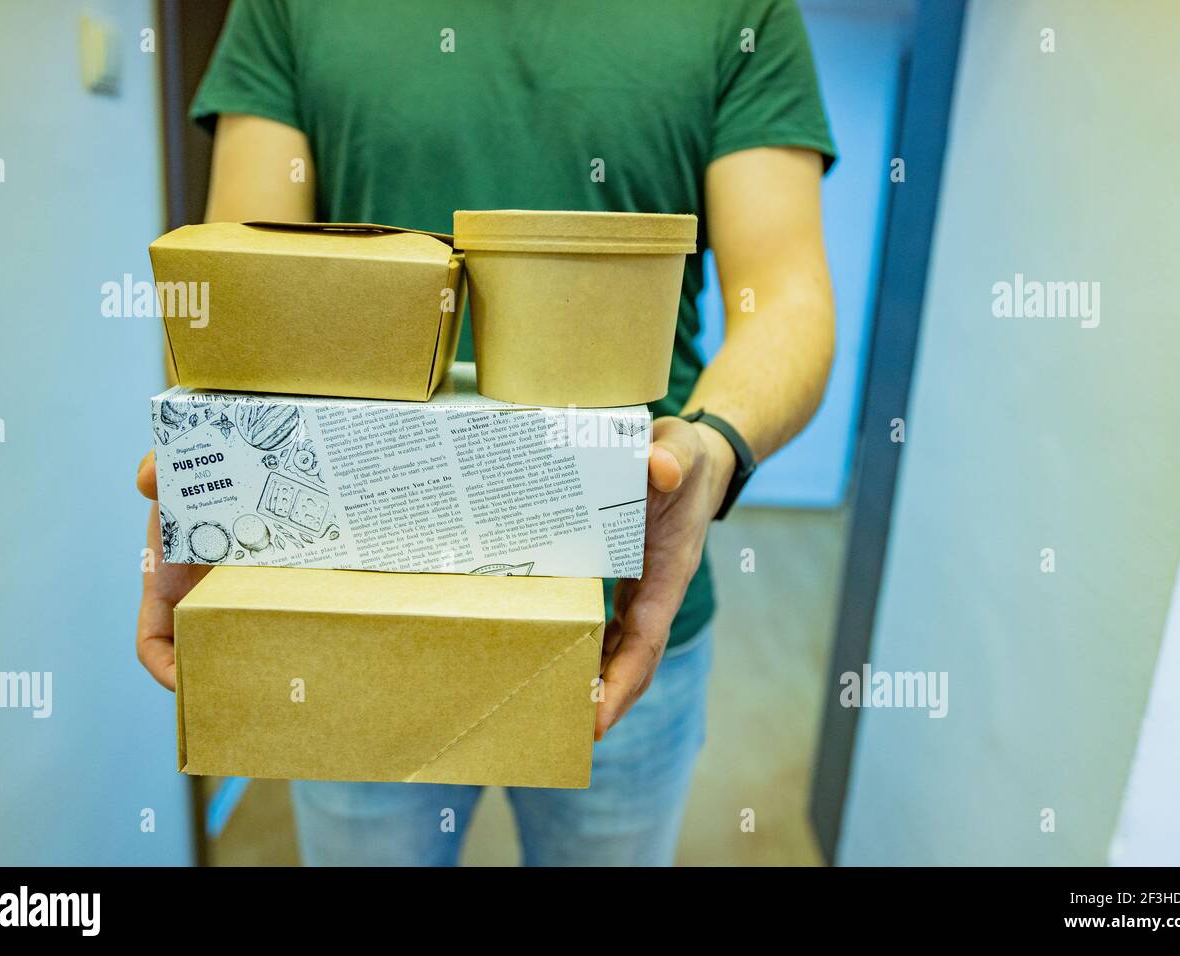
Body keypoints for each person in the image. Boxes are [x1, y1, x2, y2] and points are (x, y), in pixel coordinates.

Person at [135, 0, 837, 866]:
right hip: (354, 605)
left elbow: (788, 297)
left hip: (629, 585)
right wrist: (215, 472)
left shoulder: (741, 13)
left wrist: (716, 444)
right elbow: (247, 288)